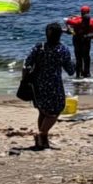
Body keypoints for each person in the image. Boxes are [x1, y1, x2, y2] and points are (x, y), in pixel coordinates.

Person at [23, 22, 75, 151]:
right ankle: (42, 134)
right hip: (54, 83)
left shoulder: (39, 47)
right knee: (56, 110)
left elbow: (27, 63)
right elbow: (70, 70)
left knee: (43, 110)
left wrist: (25, 80)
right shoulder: (62, 49)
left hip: (38, 83)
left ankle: (43, 141)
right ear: (60, 35)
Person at [65, 5, 93, 78]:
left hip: (77, 40)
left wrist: (69, 28)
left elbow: (67, 21)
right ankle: (87, 73)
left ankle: (78, 74)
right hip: (86, 40)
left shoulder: (76, 21)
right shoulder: (92, 22)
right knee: (86, 56)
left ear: (81, 13)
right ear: (89, 12)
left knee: (78, 57)